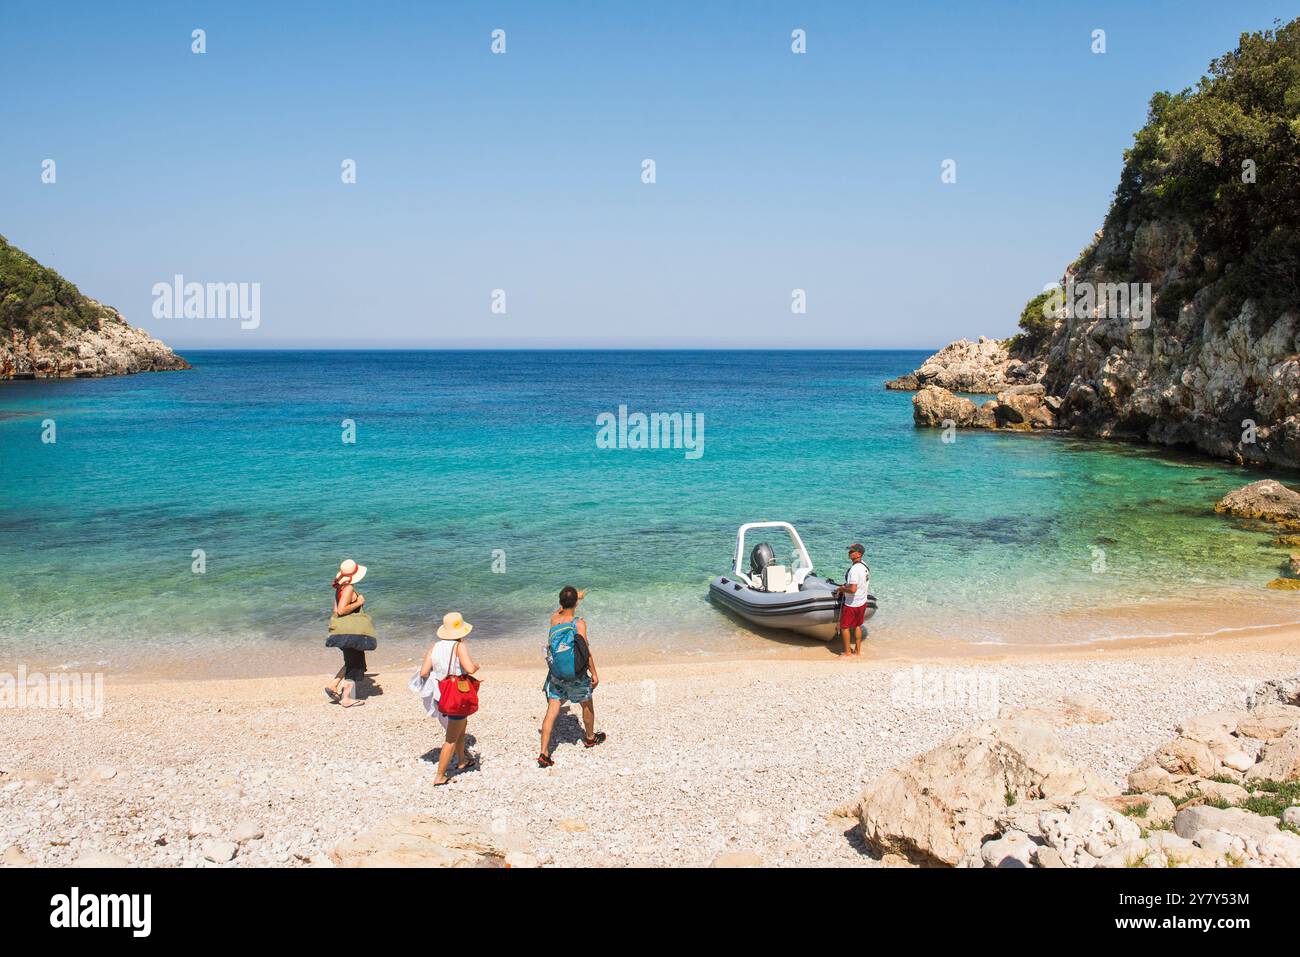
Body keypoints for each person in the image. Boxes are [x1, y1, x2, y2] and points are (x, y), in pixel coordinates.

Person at [538, 586, 604, 767]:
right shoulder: (579, 623)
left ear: (560, 602)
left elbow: (559, 611)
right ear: (576, 603)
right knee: (586, 703)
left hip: (557, 675)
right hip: (576, 675)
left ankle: (544, 752)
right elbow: (584, 650)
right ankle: (590, 738)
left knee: (552, 711)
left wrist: (572, 600)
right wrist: (594, 673)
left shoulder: (554, 620)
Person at [417, 612, 481, 786]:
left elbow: (423, 672)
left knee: (460, 727)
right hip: (456, 695)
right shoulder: (459, 646)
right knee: (451, 737)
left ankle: (461, 760)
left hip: (440, 693)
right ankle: (440, 775)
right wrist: (475, 666)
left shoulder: (434, 647)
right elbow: (469, 668)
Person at [325, 558, 376, 707]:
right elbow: (341, 610)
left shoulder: (339, 588)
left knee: (352, 661)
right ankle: (346, 698)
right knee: (355, 663)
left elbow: (335, 610)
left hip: (344, 631)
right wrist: (359, 602)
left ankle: (333, 684)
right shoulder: (348, 588)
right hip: (351, 632)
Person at [835, 544, 871, 658]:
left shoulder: (854, 570)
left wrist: (842, 589)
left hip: (852, 604)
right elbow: (859, 583)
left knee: (844, 627)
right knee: (857, 626)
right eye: (849, 551)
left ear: (859, 554)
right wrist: (847, 586)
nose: (849, 553)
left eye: (852, 551)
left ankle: (847, 652)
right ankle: (858, 651)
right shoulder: (864, 565)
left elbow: (852, 589)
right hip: (862, 601)